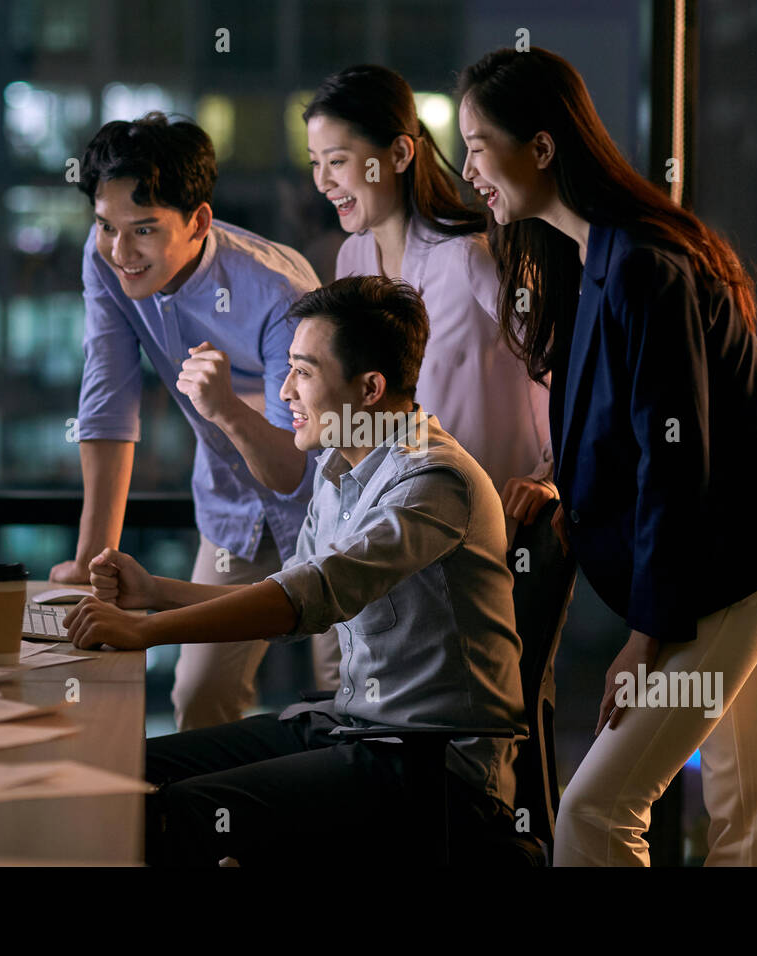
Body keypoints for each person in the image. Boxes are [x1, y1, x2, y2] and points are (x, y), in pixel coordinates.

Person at [457, 47, 757, 866]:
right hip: (722, 560)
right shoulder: (590, 257)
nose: (467, 171)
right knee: (746, 815)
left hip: (738, 561)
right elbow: (631, 431)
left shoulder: (641, 264)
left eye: (477, 145)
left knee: (595, 813)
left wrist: (646, 639)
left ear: (542, 145)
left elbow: (679, 462)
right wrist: (565, 484)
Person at [63, 276, 526, 865]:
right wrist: (154, 592)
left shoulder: (433, 481)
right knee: (130, 770)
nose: (284, 391)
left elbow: (309, 596)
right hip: (353, 726)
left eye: (303, 372)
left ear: (370, 388)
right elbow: (285, 591)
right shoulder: (338, 468)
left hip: (431, 766)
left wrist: (147, 631)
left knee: (176, 810)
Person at [53, 111, 339, 730]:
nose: (121, 250)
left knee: (345, 699)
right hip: (234, 513)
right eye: (106, 226)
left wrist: (226, 410)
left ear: (198, 221)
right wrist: (90, 561)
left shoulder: (276, 291)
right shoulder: (106, 260)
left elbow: (293, 471)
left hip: (331, 513)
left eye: (144, 230)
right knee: (199, 697)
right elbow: (108, 396)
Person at [303, 64, 556, 539]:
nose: (322, 181)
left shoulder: (471, 256)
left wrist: (551, 479)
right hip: (400, 522)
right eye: (315, 163)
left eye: (336, 161)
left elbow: (564, 361)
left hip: (502, 522)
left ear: (398, 153)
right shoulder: (352, 257)